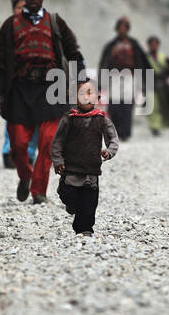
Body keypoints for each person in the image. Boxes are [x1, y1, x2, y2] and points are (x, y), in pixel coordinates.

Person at [0, 0, 85, 205]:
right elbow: (0, 64)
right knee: (18, 145)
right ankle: (25, 177)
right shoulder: (10, 25)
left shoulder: (55, 22)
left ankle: (39, 191)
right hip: (20, 90)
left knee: (47, 143)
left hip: (50, 89)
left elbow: (74, 53)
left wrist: (80, 83)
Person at [50, 79, 119, 237]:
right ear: (75, 98)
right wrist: (58, 160)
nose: (86, 97)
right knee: (69, 195)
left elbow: (113, 138)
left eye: (90, 93)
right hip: (71, 169)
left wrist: (109, 151)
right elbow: (57, 141)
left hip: (91, 171)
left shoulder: (101, 119)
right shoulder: (69, 118)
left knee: (89, 203)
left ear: (98, 97)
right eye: (82, 93)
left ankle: (84, 229)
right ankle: (70, 203)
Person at [98, 15, 151, 140]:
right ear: (117, 29)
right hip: (114, 77)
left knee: (127, 105)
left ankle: (125, 133)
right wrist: (101, 81)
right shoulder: (111, 45)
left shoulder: (134, 44)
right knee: (114, 105)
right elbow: (103, 63)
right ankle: (115, 131)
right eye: (120, 27)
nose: (122, 30)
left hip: (130, 78)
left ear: (128, 29)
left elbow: (143, 61)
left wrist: (147, 79)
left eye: (125, 27)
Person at [1, 0, 38, 169]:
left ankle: (29, 152)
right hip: (13, 84)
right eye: (18, 7)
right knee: (13, 118)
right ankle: (9, 150)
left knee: (34, 120)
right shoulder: (7, 30)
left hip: (35, 84)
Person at [145, 36, 169, 136]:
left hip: (161, 83)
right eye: (151, 44)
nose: (153, 46)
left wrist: (166, 73)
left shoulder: (162, 56)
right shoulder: (145, 57)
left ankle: (163, 124)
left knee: (163, 104)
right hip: (150, 82)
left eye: (155, 44)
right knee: (152, 106)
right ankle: (154, 127)